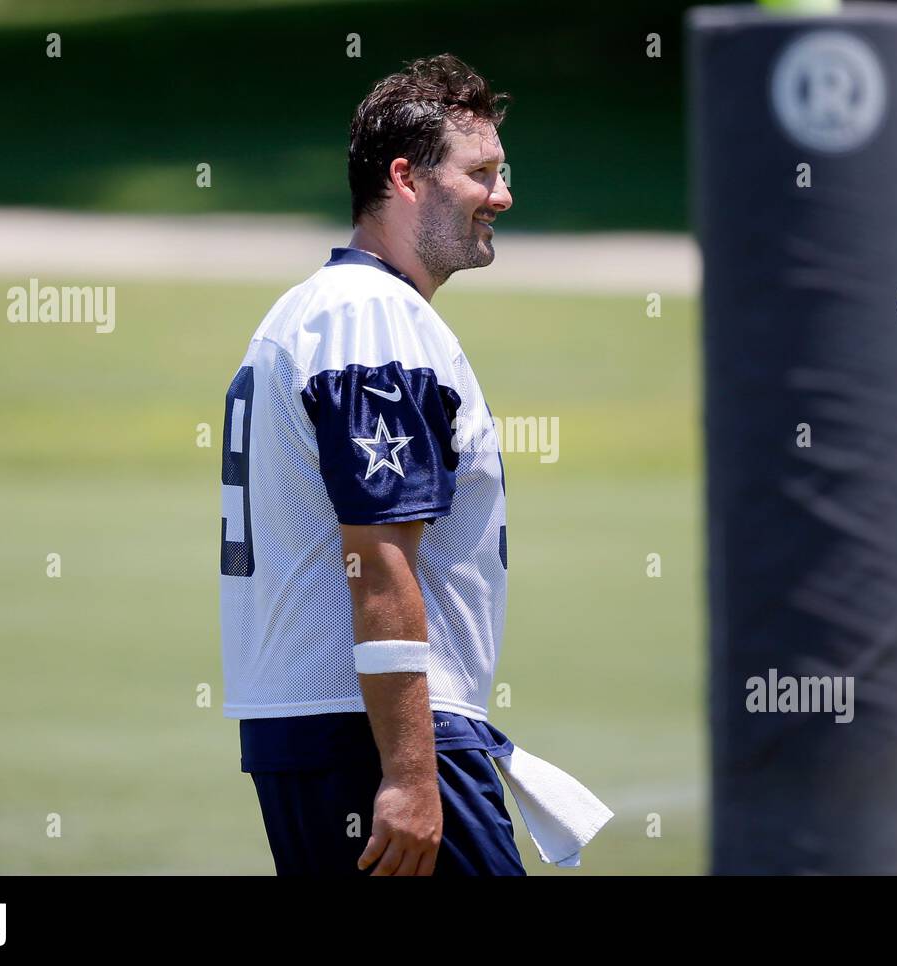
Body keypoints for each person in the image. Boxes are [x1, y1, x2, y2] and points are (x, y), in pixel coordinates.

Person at [219, 53, 608, 876]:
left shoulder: (312, 312)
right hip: (375, 732)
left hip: (322, 729)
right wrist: (407, 771)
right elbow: (377, 554)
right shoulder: (371, 321)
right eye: (482, 173)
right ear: (406, 177)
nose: (502, 196)